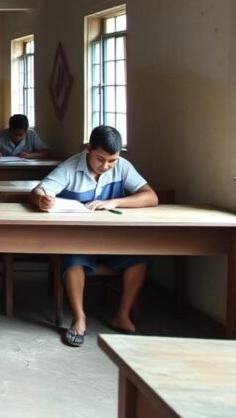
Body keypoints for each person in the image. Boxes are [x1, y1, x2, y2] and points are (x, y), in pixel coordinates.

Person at [29, 125, 158, 347]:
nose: (106, 166)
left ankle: (122, 315)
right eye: (100, 159)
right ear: (88, 149)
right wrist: (42, 199)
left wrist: (115, 202)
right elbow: (38, 191)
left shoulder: (123, 167)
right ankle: (79, 319)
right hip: (76, 240)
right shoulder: (70, 167)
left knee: (139, 259)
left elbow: (150, 197)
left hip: (111, 239)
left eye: (112, 161)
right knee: (73, 262)